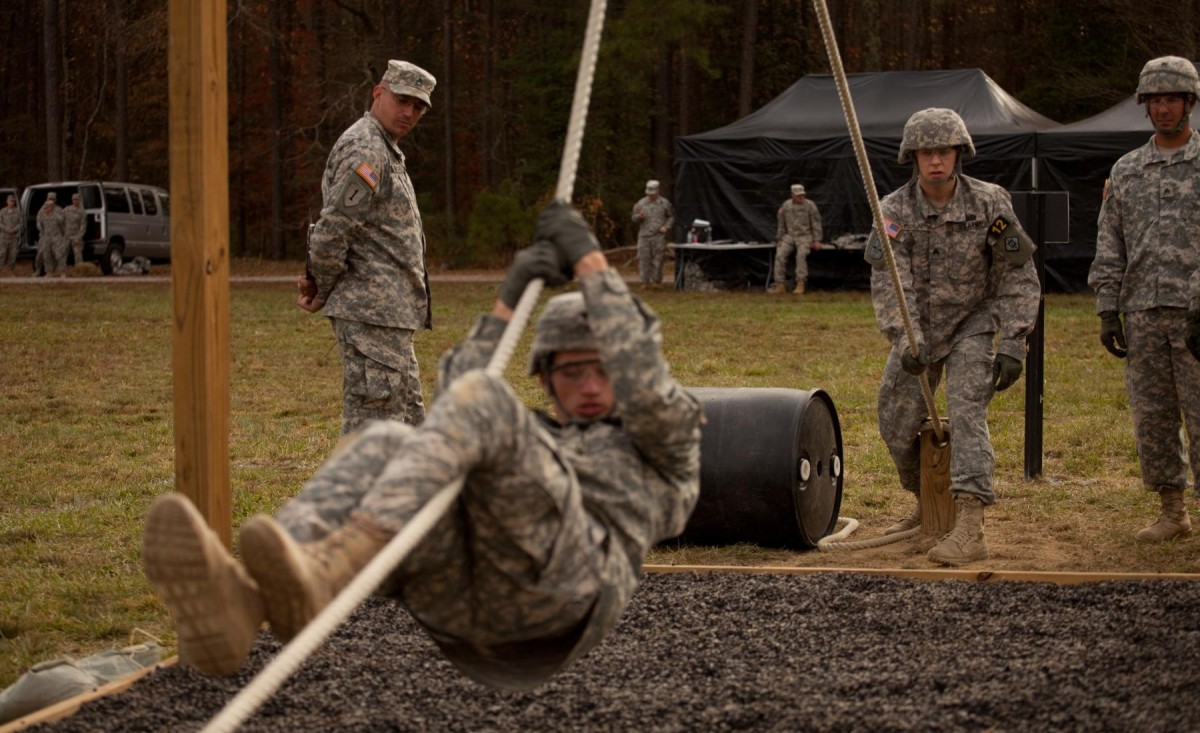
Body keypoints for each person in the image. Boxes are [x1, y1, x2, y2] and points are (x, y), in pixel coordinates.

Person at [143, 201, 704, 689]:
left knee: (480, 402)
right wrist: (507, 300)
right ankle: (241, 602)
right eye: (571, 370)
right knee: (389, 439)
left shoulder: (664, 442)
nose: (588, 385)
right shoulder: (531, 442)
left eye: (602, 369)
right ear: (544, 378)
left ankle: (331, 564)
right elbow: (450, 417)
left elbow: (644, 380)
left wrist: (591, 264)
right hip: (467, 621)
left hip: (563, 600)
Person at [865, 108, 1040, 566]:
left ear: (959, 153)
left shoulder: (990, 202)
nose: (936, 161)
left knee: (966, 416)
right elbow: (889, 282)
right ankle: (926, 500)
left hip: (972, 326)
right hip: (919, 331)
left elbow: (1017, 276)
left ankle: (970, 525)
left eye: (944, 151)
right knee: (894, 420)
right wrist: (906, 340)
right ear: (913, 157)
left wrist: (1013, 343)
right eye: (927, 153)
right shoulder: (893, 211)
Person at [1088, 55, 1200, 543]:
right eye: (1155, 100)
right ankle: (1173, 512)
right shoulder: (1127, 170)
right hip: (1143, 314)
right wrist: (1108, 306)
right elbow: (1110, 240)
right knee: (1153, 419)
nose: (1163, 109)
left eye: (1172, 98)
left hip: (1197, 312)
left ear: (1189, 102)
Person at [297, 59, 437, 434]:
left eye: (418, 106)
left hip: (389, 318)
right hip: (371, 316)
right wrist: (322, 287)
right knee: (372, 442)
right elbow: (333, 230)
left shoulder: (383, 147)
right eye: (403, 100)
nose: (409, 112)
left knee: (408, 433)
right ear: (379, 92)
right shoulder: (366, 149)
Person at [769, 184, 823, 295]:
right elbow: (781, 224)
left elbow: (816, 223)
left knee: (801, 255)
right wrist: (779, 238)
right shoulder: (786, 206)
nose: (801, 197)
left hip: (805, 236)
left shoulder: (810, 205)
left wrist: (817, 240)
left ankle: (800, 283)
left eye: (802, 195)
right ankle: (779, 284)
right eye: (798, 195)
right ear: (792, 195)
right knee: (780, 255)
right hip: (789, 236)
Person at [630, 179, 674, 287]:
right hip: (644, 235)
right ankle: (644, 282)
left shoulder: (665, 203)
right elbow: (633, 217)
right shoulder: (641, 203)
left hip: (659, 235)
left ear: (658, 191)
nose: (651, 196)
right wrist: (638, 217)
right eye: (649, 194)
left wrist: (666, 227)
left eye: (653, 194)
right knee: (644, 259)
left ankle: (656, 282)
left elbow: (671, 216)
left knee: (658, 259)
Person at [35, 193, 66, 278]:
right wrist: (42, 231)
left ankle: (62, 272)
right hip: (46, 237)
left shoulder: (59, 210)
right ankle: (49, 272)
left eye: (52, 199)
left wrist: (54, 213)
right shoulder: (42, 211)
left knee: (59, 255)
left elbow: (62, 222)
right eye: (49, 199)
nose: (50, 200)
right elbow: (39, 223)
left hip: (56, 237)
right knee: (46, 255)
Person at [62, 192, 87, 273]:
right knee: (63, 253)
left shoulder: (82, 212)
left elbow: (83, 225)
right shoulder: (66, 209)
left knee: (78, 254)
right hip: (66, 235)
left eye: (77, 200)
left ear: (79, 200)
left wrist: (79, 236)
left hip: (76, 235)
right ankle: (62, 271)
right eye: (74, 199)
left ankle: (79, 270)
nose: (75, 201)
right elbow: (60, 220)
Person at [0, 194, 20, 274]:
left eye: (13, 201)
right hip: (4, 236)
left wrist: (14, 229)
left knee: (13, 254)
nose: (11, 203)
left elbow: (20, 223)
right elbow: (0, 222)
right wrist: (6, 229)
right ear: (7, 202)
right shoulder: (2, 211)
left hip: (14, 236)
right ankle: (1, 270)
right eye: (10, 201)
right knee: (2, 253)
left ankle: (10, 271)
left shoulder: (18, 212)